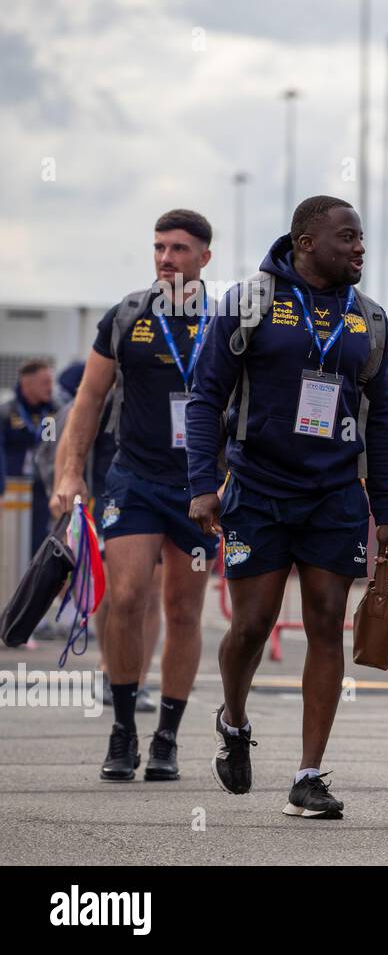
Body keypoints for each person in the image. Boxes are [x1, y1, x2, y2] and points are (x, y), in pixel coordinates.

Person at [186, 195, 388, 820]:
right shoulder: (249, 303)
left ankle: (308, 776)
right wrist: (204, 484)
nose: (359, 247)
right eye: (347, 237)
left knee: (327, 620)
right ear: (306, 242)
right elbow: (206, 397)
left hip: (335, 494)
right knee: (251, 625)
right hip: (257, 488)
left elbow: (383, 418)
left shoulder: (370, 320)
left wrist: (386, 508)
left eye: (362, 238)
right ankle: (233, 719)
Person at [49, 209, 220, 782]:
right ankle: (123, 728)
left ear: (204, 257)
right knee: (124, 597)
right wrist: (69, 473)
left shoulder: (225, 323)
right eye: (158, 247)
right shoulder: (127, 317)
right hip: (135, 477)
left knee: (183, 609)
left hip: (200, 487)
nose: (166, 258)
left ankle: (167, 737)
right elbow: (88, 401)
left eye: (178, 248)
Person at [43, 361, 163, 709]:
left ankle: (138, 679)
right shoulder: (112, 386)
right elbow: (68, 438)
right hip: (111, 498)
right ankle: (108, 667)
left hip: (162, 495)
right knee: (115, 593)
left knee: (152, 593)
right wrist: (61, 487)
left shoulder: (170, 380)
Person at [1, 360, 57, 558]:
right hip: (10, 492)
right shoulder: (7, 412)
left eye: (51, 382)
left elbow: (52, 448)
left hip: (41, 491)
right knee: (8, 547)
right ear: (27, 383)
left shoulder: (51, 413)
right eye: (45, 383)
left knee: (38, 546)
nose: (50, 388)